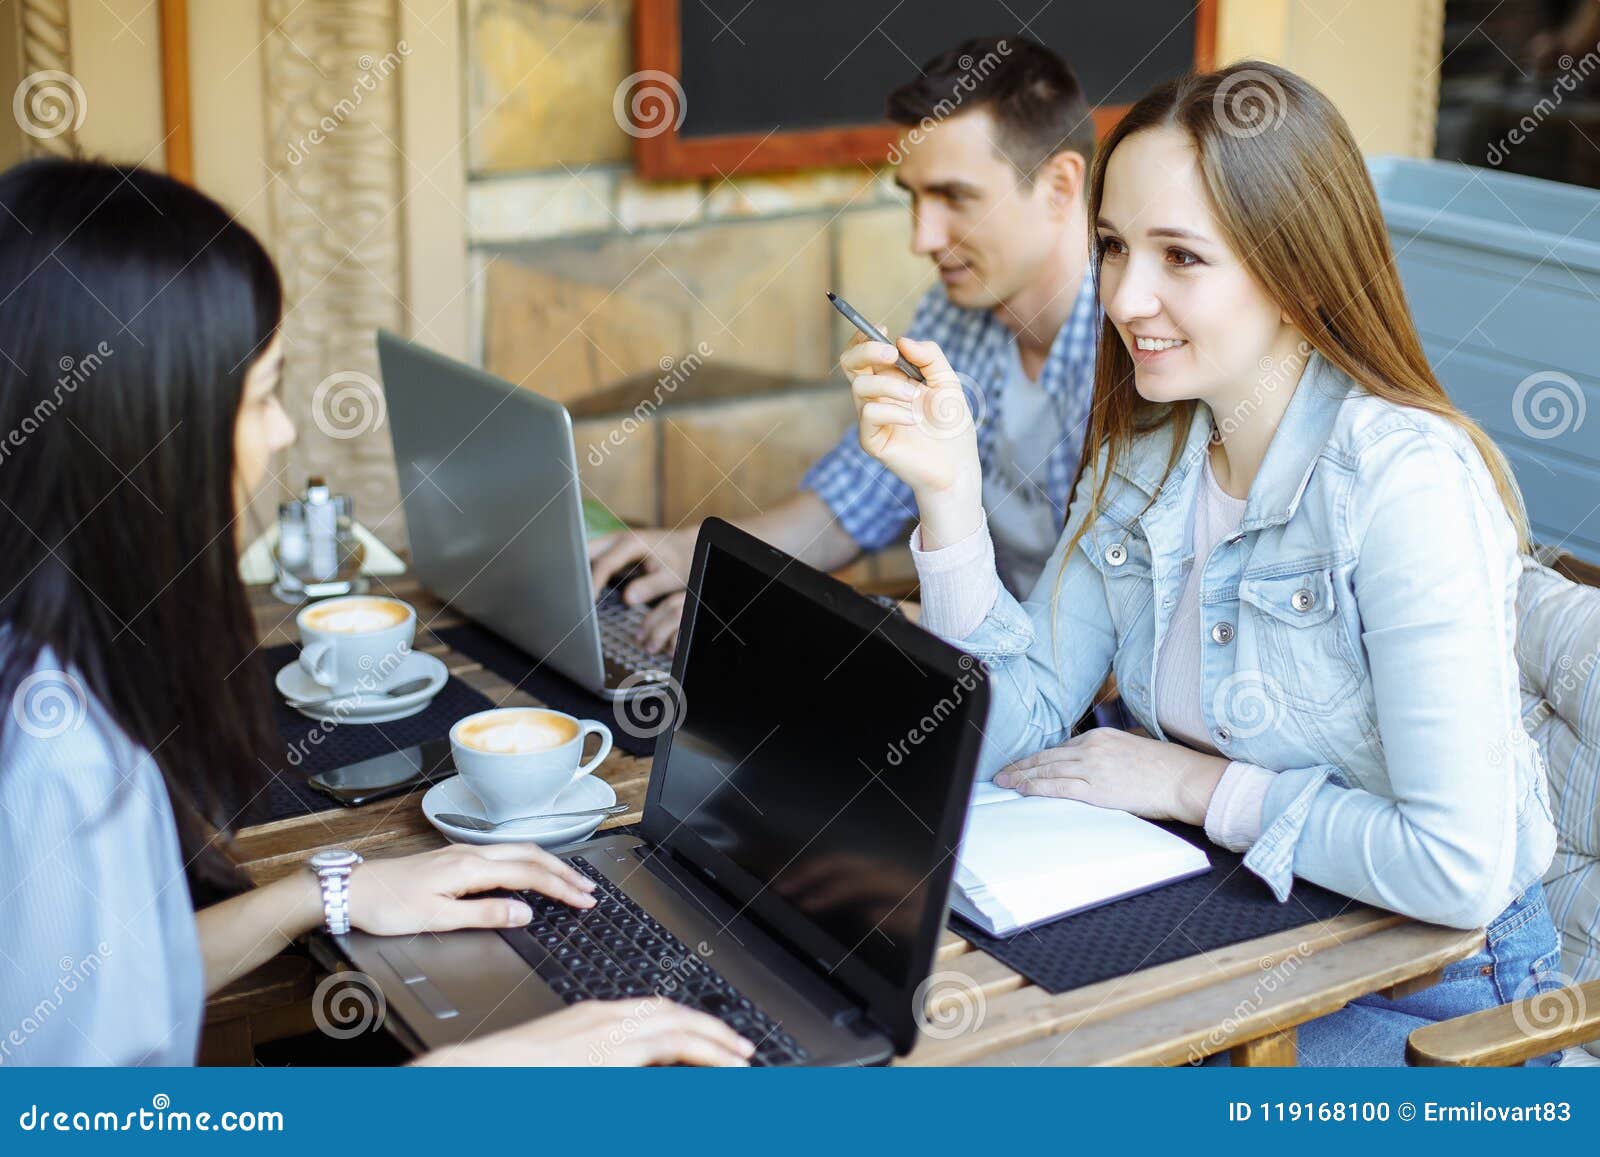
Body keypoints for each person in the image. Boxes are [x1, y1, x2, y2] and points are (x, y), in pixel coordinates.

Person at [842, 61, 1565, 1066]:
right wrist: (948, 496)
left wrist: (1190, 783)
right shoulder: (1149, 455)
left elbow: (1458, 867)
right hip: (1230, 926)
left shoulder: (1402, 482)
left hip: (1431, 996)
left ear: (1296, 268)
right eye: (1112, 247)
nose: (1126, 295)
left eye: (1181, 256)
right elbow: (1014, 719)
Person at [0, 158, 752, 1068]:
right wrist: (500, 1067)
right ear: (145, 423)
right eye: (266, 391)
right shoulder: (58, 755)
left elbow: (94, 993)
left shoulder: (46, 670)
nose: (281, 433)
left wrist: (327, 892)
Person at [589, 36, 1099, 655]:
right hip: (998, 673)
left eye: (955, 196)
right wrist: (702, 555)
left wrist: (842, 615)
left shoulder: (1138, 344)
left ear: (1060, 186)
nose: (922, 237)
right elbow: (856, 499)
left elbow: (1111, 638)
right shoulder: (959, 309)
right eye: (912, 196)